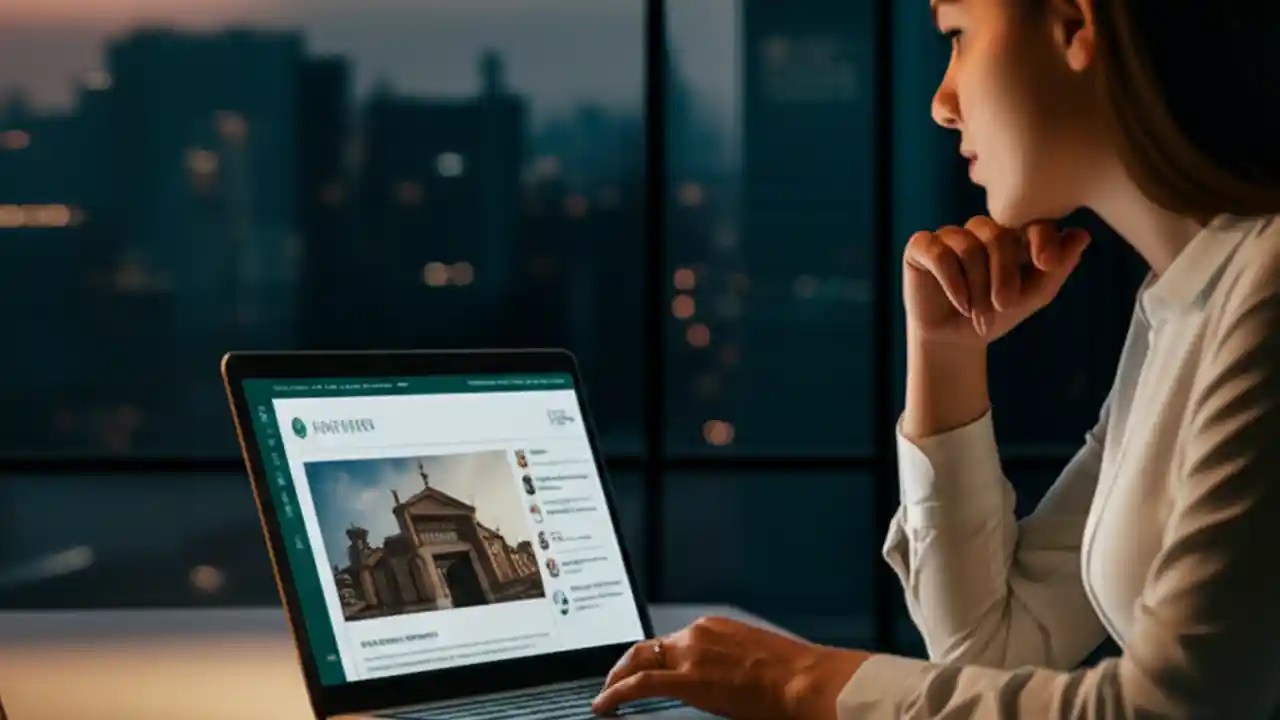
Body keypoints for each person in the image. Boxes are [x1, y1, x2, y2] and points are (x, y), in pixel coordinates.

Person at [594, 0, 1280, 718]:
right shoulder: (1179, 311)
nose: (941, 103)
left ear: (1075, 26)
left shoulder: (1263, 291)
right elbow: (991, 649)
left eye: (958, 35)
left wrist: (797, 682)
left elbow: (1180, 707)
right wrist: (946, 353)